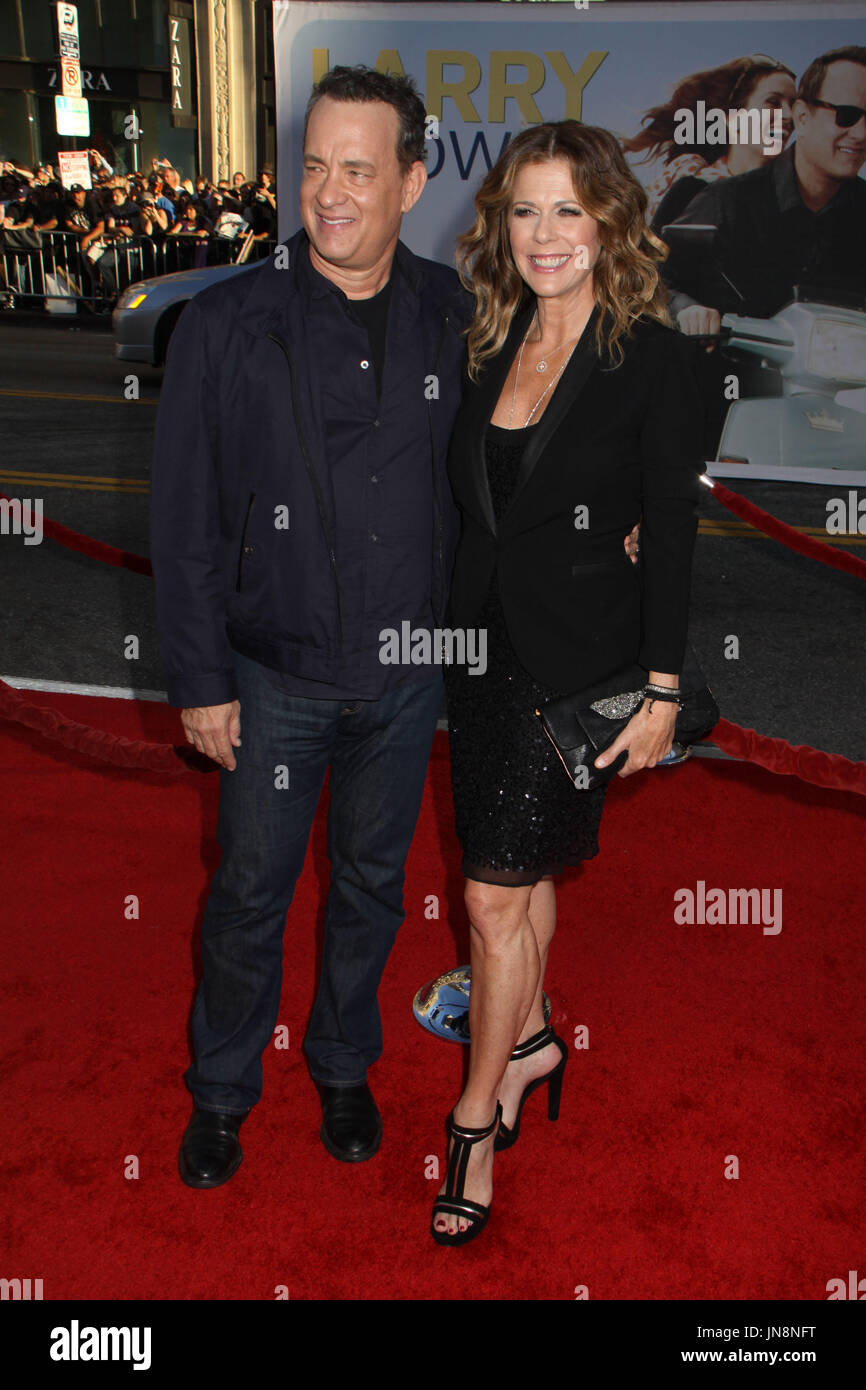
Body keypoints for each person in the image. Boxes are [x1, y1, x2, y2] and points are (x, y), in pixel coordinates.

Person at [149, 66, 471, 1188]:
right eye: (314, 166)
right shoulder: (227, 322)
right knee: (248, 893)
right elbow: (184, 515)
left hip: (407, 676)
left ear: (413, 181)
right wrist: (199, 677)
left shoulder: (454, 315)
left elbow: (505, 476)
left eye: (358, 170)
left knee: (371, 886)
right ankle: (223, 1091)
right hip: (270, 672)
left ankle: (341, 1064)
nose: (328, 195)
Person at [431, 121, 704, 1244]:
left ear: (607, 224)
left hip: (578, 666)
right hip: (476, 660)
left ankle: (471, 1118)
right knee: (520, 872)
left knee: (489, 898)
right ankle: (534, 1037)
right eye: (524, 211)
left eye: (567, 212)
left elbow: (674, 533)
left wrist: (661, 689)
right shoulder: (485, 339)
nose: (544, 235)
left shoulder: (653, 358)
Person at [623, 55, 796, 228]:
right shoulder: (689, 173)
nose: (789, 115)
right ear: (733, 117)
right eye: (773, 102)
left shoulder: (791, 198)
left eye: (794, 105)